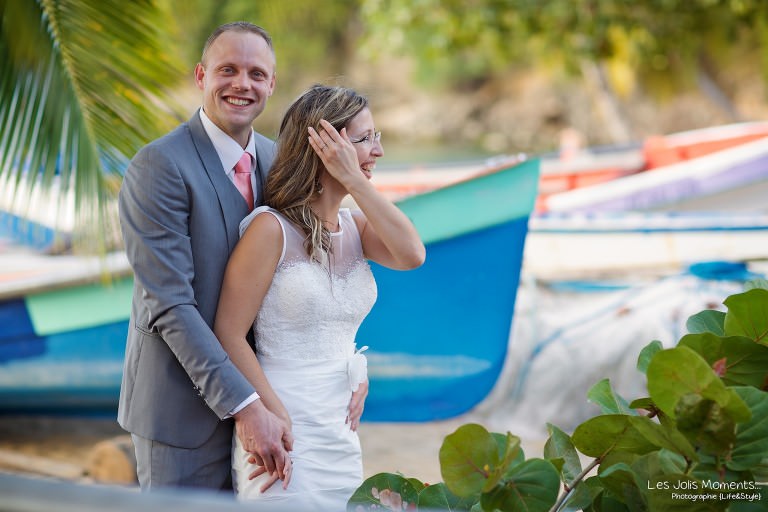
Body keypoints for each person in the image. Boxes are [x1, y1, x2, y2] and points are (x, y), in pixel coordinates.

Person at [214, 84, 426, 510]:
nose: (377, 151)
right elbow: (228, 333)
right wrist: (268, 415)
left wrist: (356, 183)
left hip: (341, 431)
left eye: (377, 137)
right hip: (282, 424)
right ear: (324, 145)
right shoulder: (269, 230)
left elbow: (412, 254)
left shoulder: (357, 228)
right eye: (364, 139)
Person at [117, 22, 292, 490]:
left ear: (272, 84)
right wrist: (245, 405)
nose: (242, 84)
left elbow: (313, 275)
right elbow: (170, 305)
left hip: (274, 412)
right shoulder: (159, 166)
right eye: (228, 70)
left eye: (257, 74)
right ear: (201, 76)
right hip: (180, 418)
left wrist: (349, 373)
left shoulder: (281, 165)